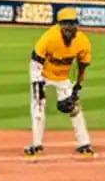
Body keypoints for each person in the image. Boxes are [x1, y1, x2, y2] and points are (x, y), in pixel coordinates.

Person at [24, 8, 95, 157]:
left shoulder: (82, 42)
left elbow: (82, 68)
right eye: (65, 23)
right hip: (42, 75)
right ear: (59, 25)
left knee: (74, 107)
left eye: (72, 23)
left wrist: (77, 88)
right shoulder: (49, 38)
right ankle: (37, 144)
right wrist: (38, 86)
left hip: (62, 78)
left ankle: (84, 143)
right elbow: (35, 63)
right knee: (38, 107)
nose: (69, 27)